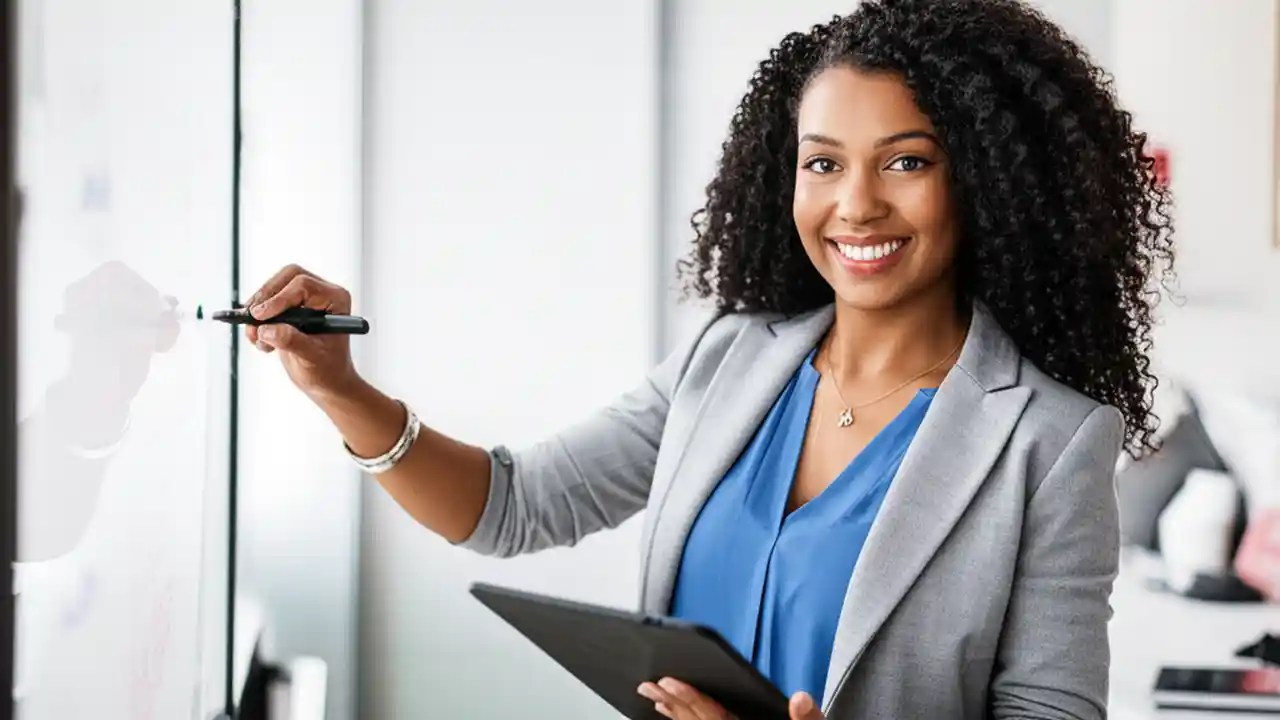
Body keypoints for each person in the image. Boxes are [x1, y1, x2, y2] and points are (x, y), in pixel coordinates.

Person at [244, 0, 1173, 716]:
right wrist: (339, 388)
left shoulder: (1048, 439)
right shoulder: (729, 360)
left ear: (984, 182)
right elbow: (512, 505)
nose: (854, 205)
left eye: (905, 162)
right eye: (822, 163)